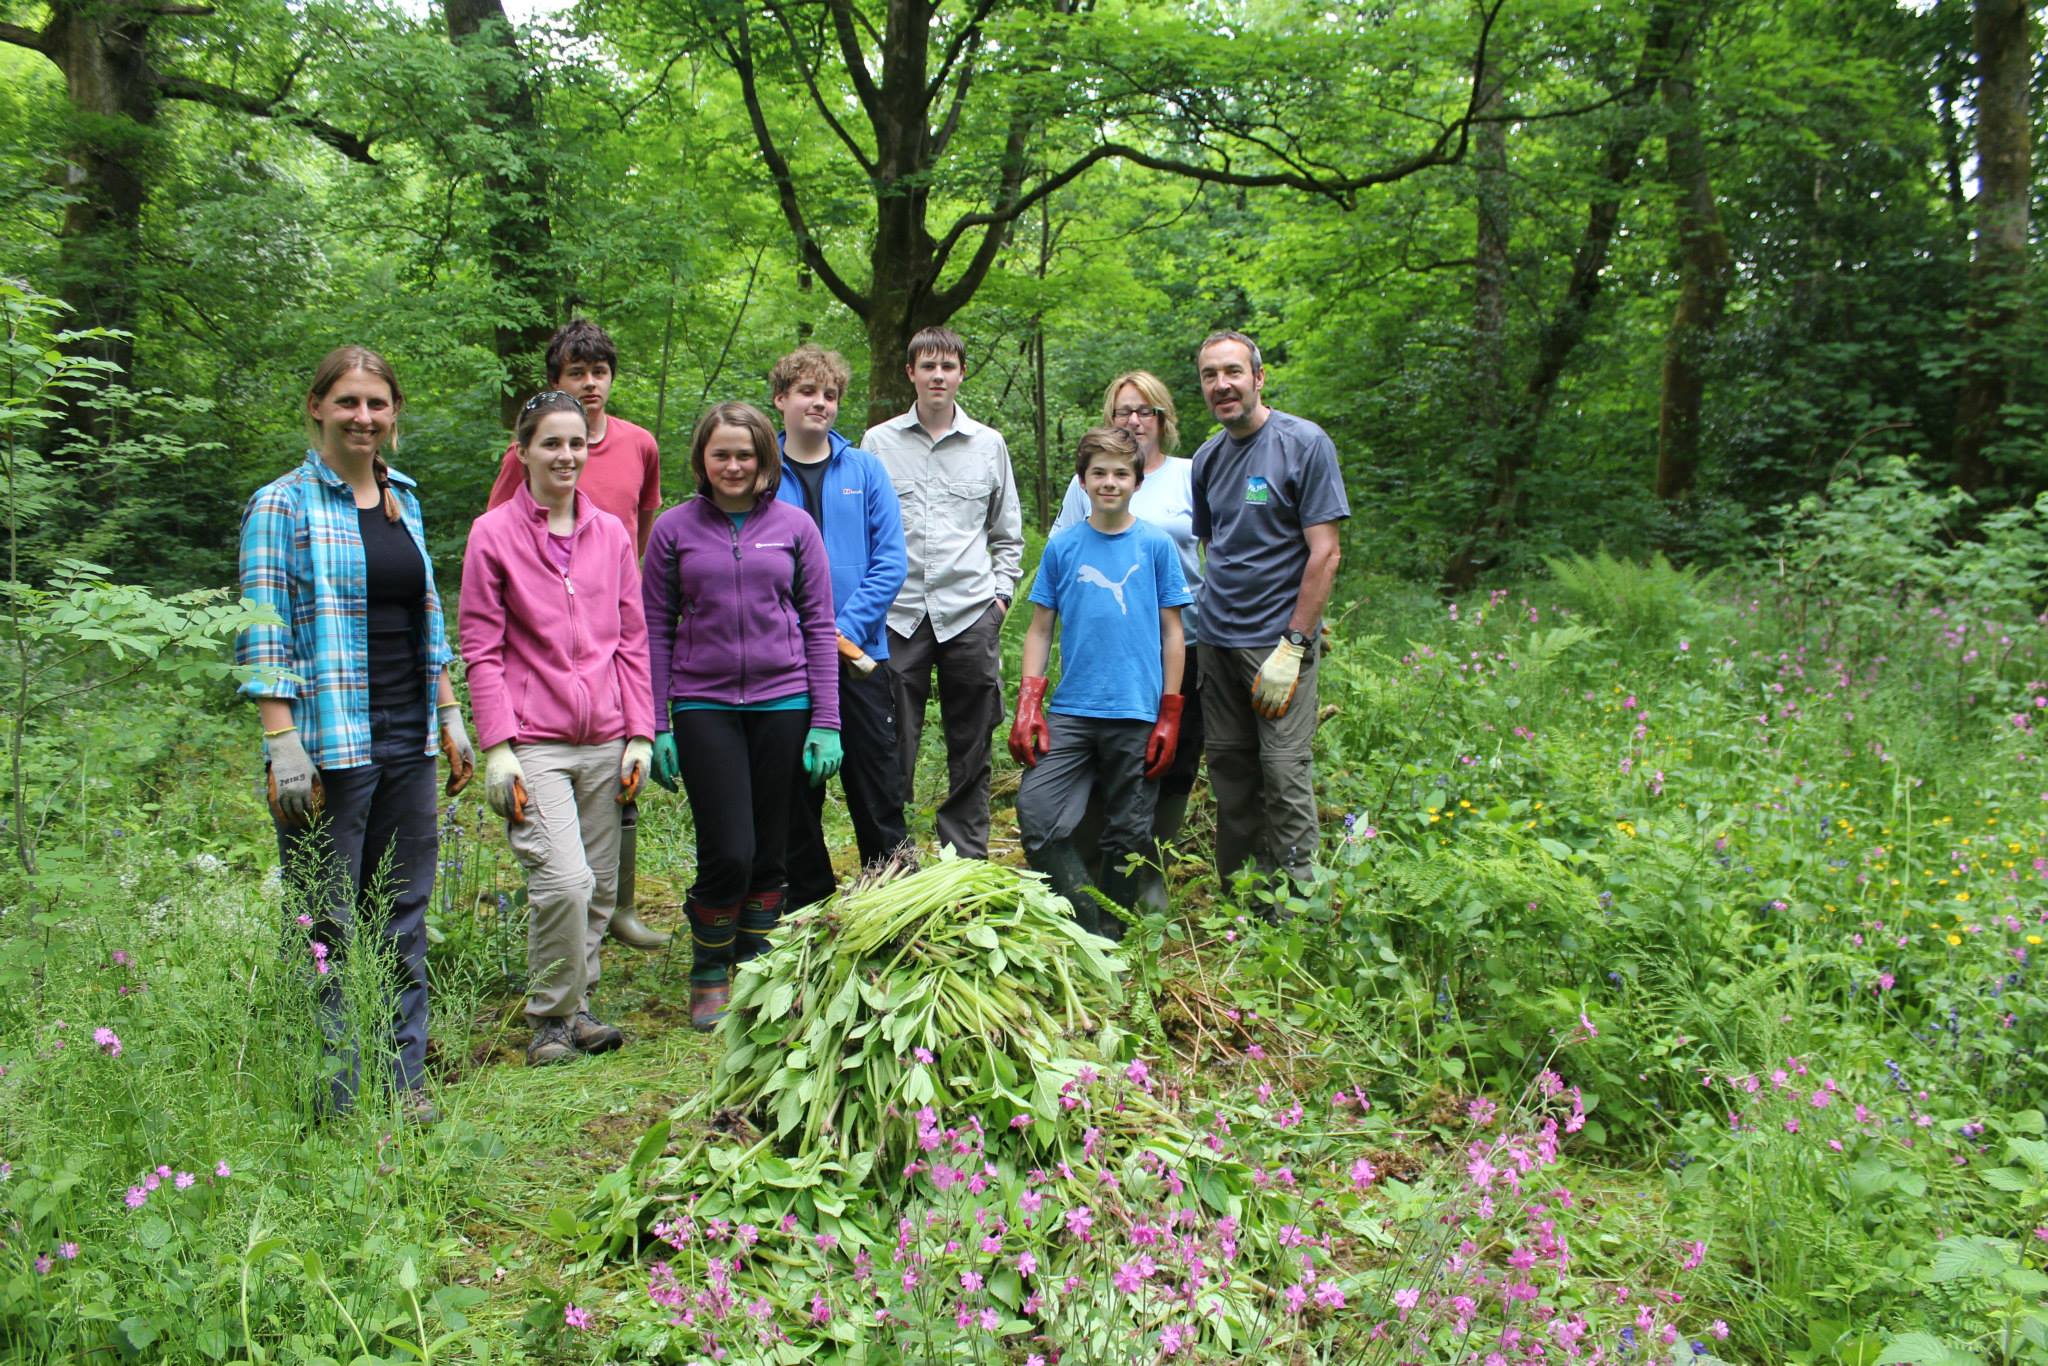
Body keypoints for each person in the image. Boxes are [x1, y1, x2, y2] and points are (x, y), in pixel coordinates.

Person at [237, 345, 477, 1124]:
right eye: (348, 402)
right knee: (327, 920)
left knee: (402, 910)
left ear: (394, 414)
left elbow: (429, 615)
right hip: (326, 742)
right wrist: (282, 744)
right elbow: (263, 634)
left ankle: (403, 1080)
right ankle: (336, 1095)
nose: (364, 418)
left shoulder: (403, 497)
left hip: (406, 734)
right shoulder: (281, 506)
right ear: (317, 408)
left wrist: (449, 717)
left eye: (377, 404)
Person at [460, 390, 654, 1066]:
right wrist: (497, 750)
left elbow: (632, 639)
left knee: (598, 886)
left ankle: (579, 1009)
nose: (567, 455)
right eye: (552, 443)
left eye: (577, 443)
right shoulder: (493, 535)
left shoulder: (612, 535)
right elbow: (482, 648)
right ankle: (549, 1021)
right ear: (524, 452)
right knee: (563, 881)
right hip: (534, 739)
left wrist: (641, 734)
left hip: (607, 734)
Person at [642, 402, 840, 1030]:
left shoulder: (795, 527)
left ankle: (756, 964)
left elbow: (818, 625)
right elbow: (652, 627)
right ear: (702, 458)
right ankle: (707, 969)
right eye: (720, 453)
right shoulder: (673, 530)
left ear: (764, 460)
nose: (733, 465)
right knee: (728, 848)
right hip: (704, 706)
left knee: (773, 848)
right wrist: (658, 723)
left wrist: (826, 722)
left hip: (786, 703)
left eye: (745, 454)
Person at [485, 320, 669, 951]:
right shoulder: (530, 454)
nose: (590, 384)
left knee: (620, 793)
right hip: (544, 649)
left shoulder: (639, 444)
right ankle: (567, 917)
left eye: (599, 372)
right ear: (555, 382)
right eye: (576, 374)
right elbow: (500, 535)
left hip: (611, 631)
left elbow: (643, 527)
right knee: (564, 836)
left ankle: (617, 908)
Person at [1011, 427, 1190, 938]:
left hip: (1137, 710)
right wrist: (1030, 704)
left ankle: (1115, 933)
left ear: (1136, 480)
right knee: (1036, 809)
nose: (1109, 482)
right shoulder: (1064, 547)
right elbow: (1041, 628)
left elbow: (1172, 633)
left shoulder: (1155, 545)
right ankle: (1084, 919)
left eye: (1120, 473)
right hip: (1072, 709)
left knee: (1129, 830)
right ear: (1082, 480)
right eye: (1098, 473)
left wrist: (1170, 712)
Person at [1188, 330, 1349, 887]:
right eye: (1210, 375)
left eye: (1232, 372)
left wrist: (1295, 645)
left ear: (1258, 377)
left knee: (1283, 773)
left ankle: (1298, 904)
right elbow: (1215, 546)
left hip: (1277, 644)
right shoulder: (1207, 458)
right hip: (1217, 642)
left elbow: (1324, 553)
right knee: (1231, 773)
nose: (1222, 385)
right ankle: (1243, 898)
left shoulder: (1304, 443)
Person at [862, 327, 1023, 860]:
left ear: (961, 373)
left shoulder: (988, 444)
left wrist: (998, 600)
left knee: (973, 740)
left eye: (948, 366)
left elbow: (1007, 533)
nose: (938, 375)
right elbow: (862, 530)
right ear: (910, 372)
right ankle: (894, 856)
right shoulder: (879, 443)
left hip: (969, 611)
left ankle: (966, 857)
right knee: (891, 740)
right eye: (927, 366)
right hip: (898, 612)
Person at [1046, 371, 1206, 907]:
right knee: (1104, 760)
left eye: (1146, 411)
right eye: (1123, 411)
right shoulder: (1088, 479)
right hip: (1104, 651)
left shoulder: (1189, 475)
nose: (1135, 420)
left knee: (1171, 763)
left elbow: (1225, 546)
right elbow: (1066, 551)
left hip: (1184, 636)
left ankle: (1149, 870)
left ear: (1164, 418)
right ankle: (1097, 875)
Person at [769, 345, 911, 904]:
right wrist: (802, 632)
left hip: (859, 660)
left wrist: (840, 631)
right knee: (794, 795)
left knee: (878, 786)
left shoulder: (865, 469)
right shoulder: (760, 471)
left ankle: (895, 901)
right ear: (780, 399)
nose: (819, 403)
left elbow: (891, 560)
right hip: (783, 661)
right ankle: (813, 910)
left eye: (829, 394)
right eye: (807, 392)